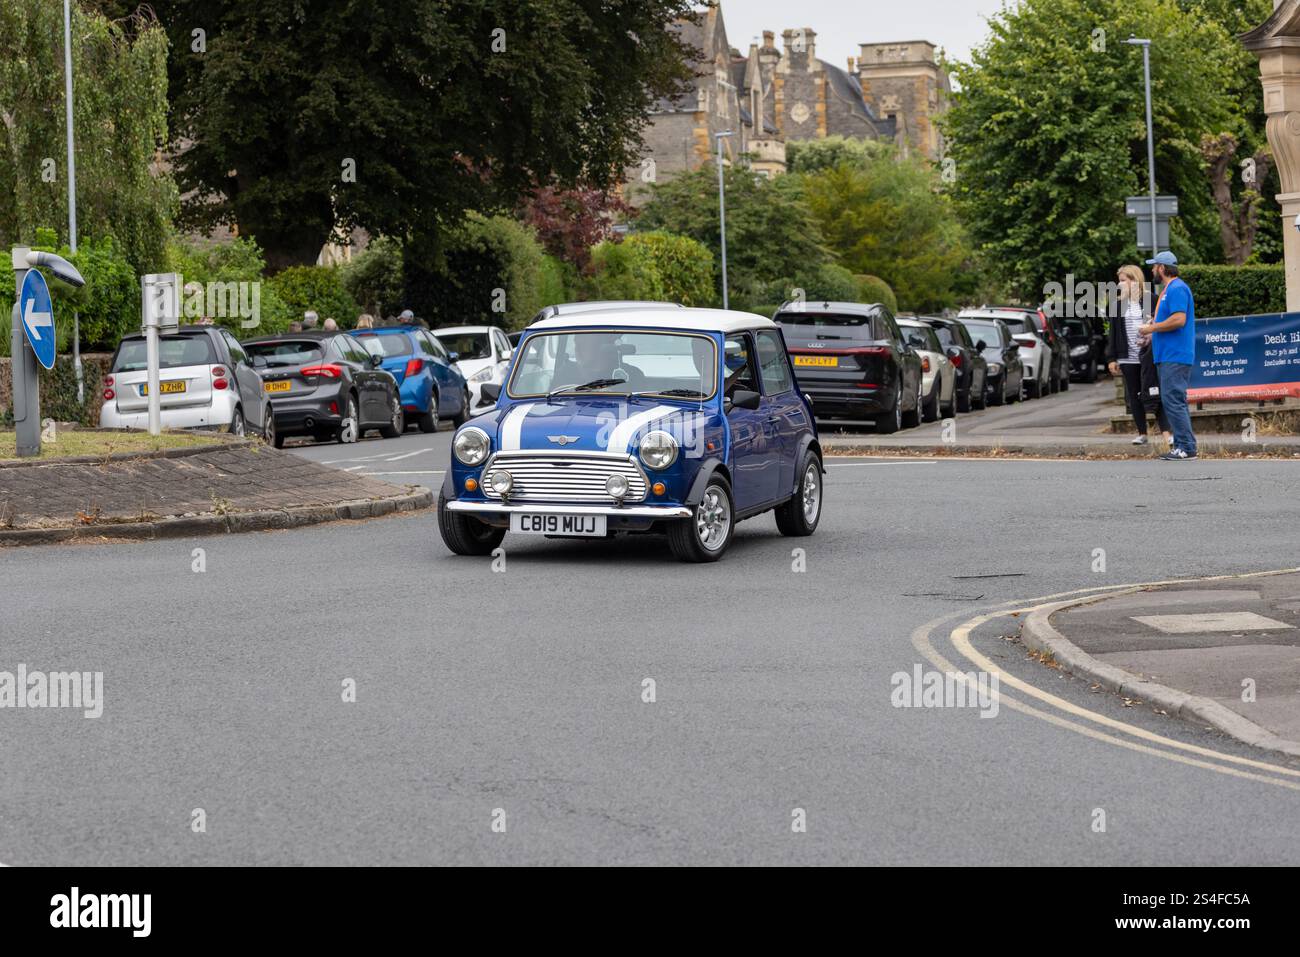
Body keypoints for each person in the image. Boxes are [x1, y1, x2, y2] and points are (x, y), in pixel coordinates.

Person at [1141, 251, 1197, 460]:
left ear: (1162, 268)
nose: (1152, 270)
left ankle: (1187, 448)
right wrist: (1151, 331)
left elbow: (1179, 320)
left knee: (1173, 400)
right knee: (1173, 400)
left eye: (1154, 266)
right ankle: (1183, 445)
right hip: (1168, 354)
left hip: (1175, 355)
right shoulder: (1169, 289)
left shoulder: (1177, 288)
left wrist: (1151, 328)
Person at [1107, 264, 1170, 446]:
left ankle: (1166, 433)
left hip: (1149, 355)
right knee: (1133, 395)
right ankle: (1142, 433)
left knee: (1155, 391)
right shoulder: (1117, 305)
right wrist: (1111, 358)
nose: (1119, 285)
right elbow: (1113, 333)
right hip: (1127, 356)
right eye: (1119, 281)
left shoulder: (1152, 299)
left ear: (1135, 281)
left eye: (1123, 280)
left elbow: (1160, 325)